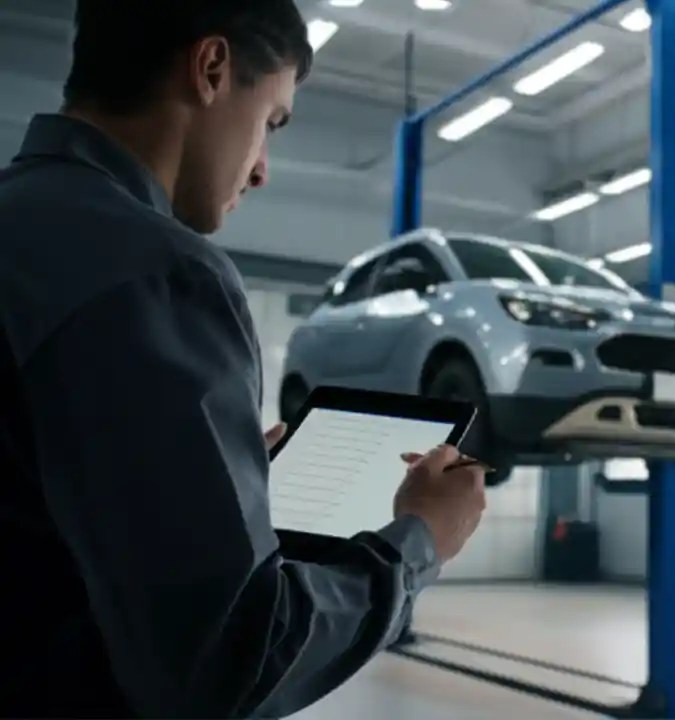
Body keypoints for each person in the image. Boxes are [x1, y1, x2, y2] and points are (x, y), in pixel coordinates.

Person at [0, 1, 487, 716]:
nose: (261, 169)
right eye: (272, 122)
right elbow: (231, 659)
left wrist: (186, 479)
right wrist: (420, 542)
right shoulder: (157, 272)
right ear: (212, 69)